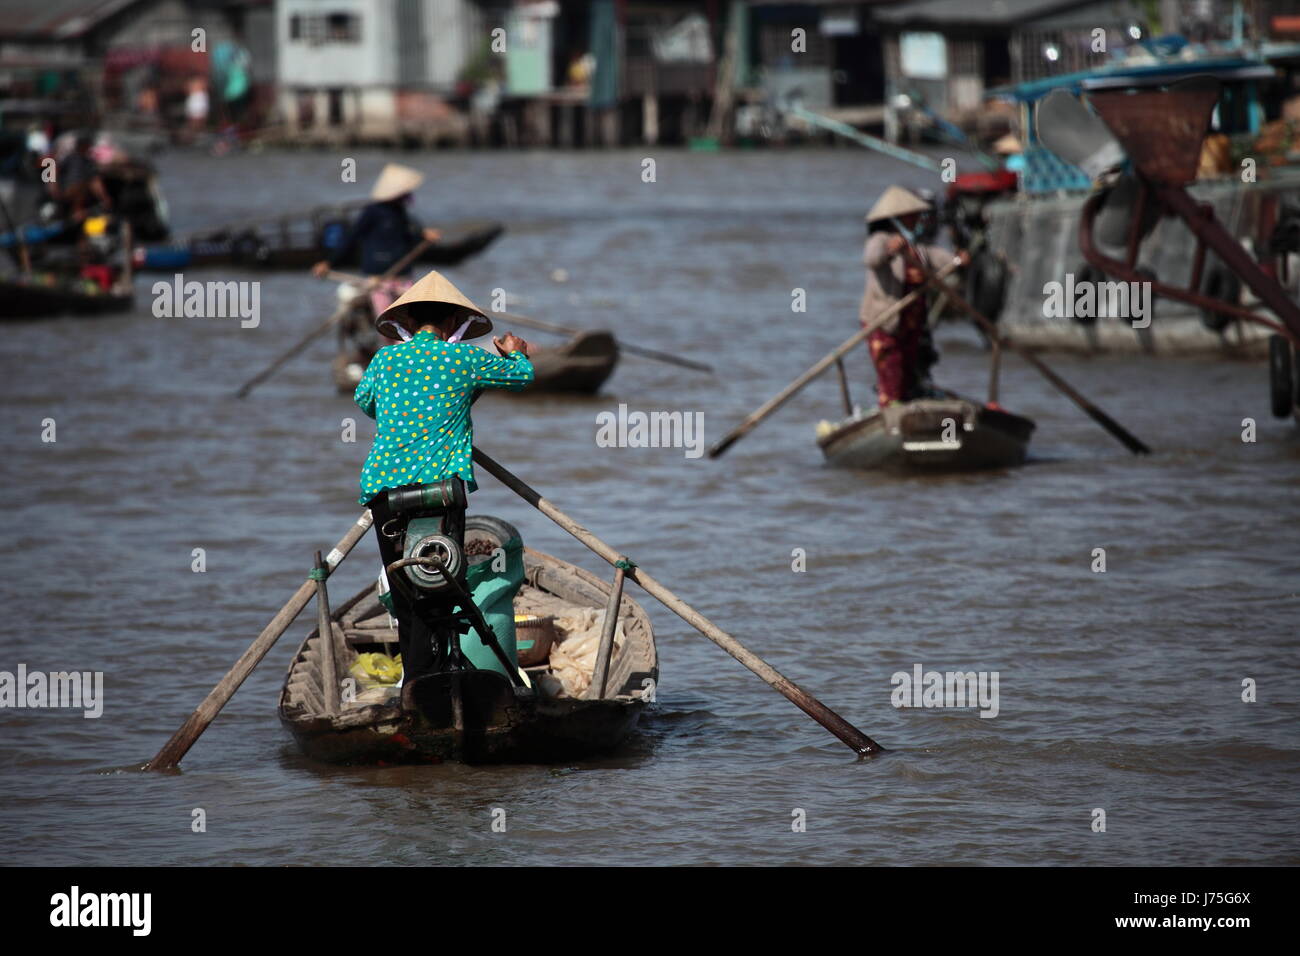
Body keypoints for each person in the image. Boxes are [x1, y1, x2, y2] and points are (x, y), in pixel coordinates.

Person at [355, 270, 534, 682]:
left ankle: (418, 681)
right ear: (454, 323)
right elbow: (523, 377)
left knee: (406, 591)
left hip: (385, 491)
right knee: (441, 585)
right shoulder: (465, 359)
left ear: (409, 322)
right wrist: (515, 352)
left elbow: (366, 402)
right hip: (440, 491)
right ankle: (441, 677)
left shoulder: (385, 359)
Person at [313, 163, 443, 361]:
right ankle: (393, 360)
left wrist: (424, 236)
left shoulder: (401, 213)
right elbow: (351, 239)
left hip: (402, 278)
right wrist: (328, 263)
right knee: (386, 323)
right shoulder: (372, 212)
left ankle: (411, 358)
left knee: (410, 321)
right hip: (378, 279)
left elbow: (409, 237)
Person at [860, 186, 967, 407]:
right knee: (891, 369)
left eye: (918, 215)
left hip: (912, 323)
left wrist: (958, 260)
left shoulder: (916, 248)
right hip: (885, 321)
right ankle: (892, 410)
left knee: (909, 370)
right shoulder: (880, 239)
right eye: (911, 216)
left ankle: (908, 406)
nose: (917, 219)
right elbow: (871, 258)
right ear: (897, 218)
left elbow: (941, 260)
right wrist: (889, 250)